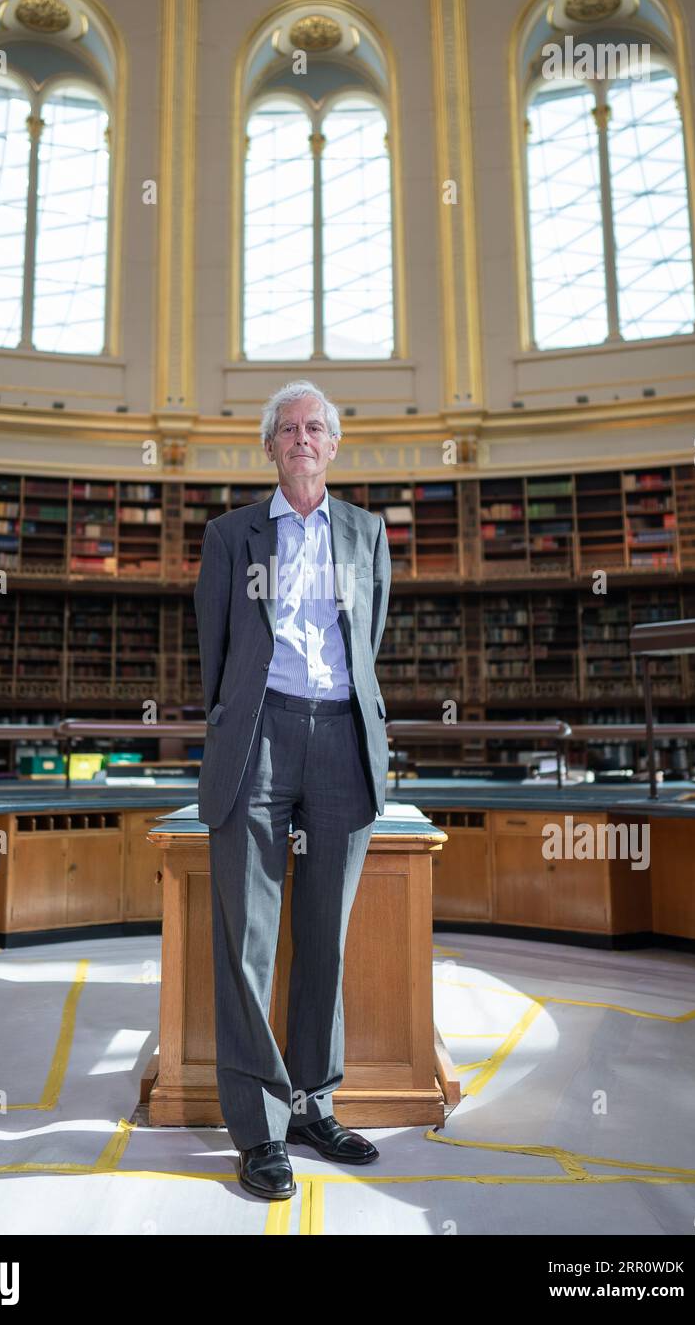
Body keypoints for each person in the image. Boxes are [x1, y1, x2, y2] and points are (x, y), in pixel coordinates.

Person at [193, 380, 392, 1200]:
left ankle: (314, 1104)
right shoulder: (231, 537)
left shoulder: (366, 532)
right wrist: (239, 720)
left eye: (316, 427)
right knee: (247, 940)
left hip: (342, 734)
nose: (303, 438)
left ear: (334, 444)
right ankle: (260, 1131)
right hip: (261, 734)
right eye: (289, 429)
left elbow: (369, 638)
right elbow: (216, 650)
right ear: (270, 447)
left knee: (327, 938)